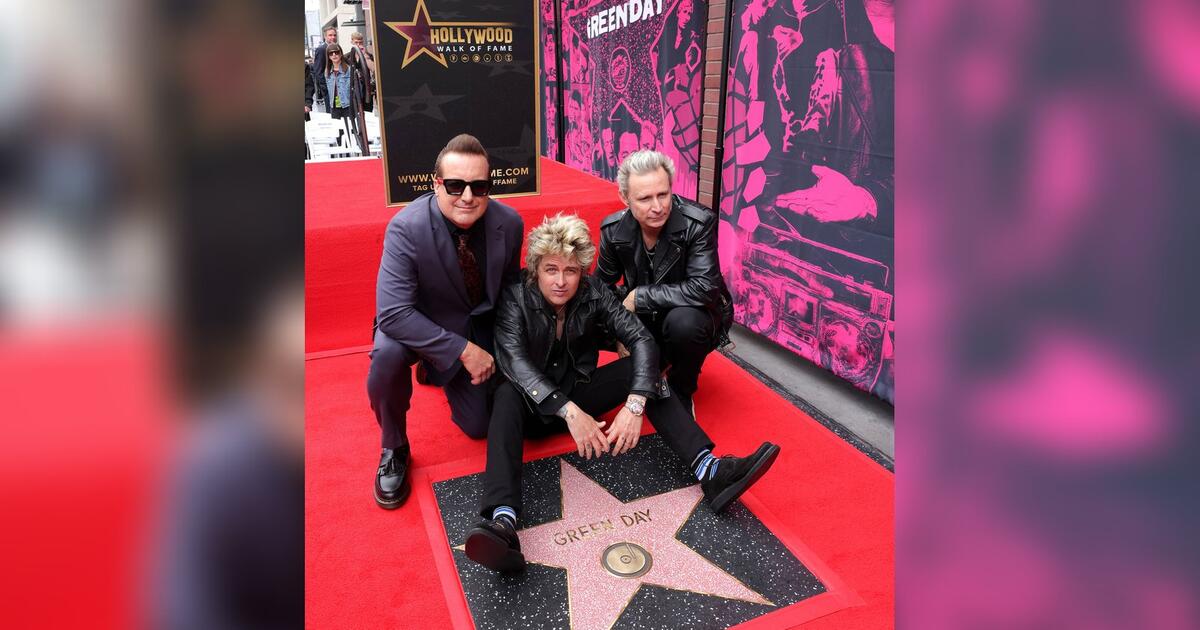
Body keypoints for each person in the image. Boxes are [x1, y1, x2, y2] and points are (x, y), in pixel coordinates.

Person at [464, 214, 779, 572]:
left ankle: (709, 470)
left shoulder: (594, 291)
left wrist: (635, 403)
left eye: (571, 270)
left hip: (577, 391)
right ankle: (503, 522)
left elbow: (641, 339)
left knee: (640, 372)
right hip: (530, 405)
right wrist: (570, 413)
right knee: (505, 394)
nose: (561, 281)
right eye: (551, 270)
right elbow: (515, 362)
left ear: (583, 271)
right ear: (536, 269)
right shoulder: (515, 296)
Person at [367, 134, 524, 509]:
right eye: (455, 185)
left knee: (479, 427)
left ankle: (436, 369)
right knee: (387, 355)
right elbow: (393, 313)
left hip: (476, 326)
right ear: (436, 184)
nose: (467, 196)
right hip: (418, 324)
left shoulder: (509, 223)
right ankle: (394, 447)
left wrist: (514, 348)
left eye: (479, 186)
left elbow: (510, 292)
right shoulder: (406, 228)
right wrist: (463, 351)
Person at [594, 150, 734, 414]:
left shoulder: (698, 223)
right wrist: (620, 333)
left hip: (693, 315)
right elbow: (599, 289)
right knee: (584, 310)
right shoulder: (613, 230)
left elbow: (705, 288)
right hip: (646, 318)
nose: (657, 207)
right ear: (624, 197)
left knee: (684, 323)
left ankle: (681, 391)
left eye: (663, 194)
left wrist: (638, 298)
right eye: (645, 198)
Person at [345, 32, 375, 113]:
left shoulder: (368, 56)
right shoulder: (347, 57)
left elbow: (374, 70)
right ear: (352, 42)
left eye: (360, 42)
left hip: (366, 90)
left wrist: (364, 55)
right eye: (356, 42)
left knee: (368, 113)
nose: (358, 45)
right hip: (354, 90)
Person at [311, 26, 338, 107]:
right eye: (330, 35)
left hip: (338, 87)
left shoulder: (337, 48)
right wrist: (326, 88)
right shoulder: (321, 49)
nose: (333, 37)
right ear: (325, 37)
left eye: (334, 35)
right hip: (329, 88)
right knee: (332, 111)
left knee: (339, 110)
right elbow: (318, 71)